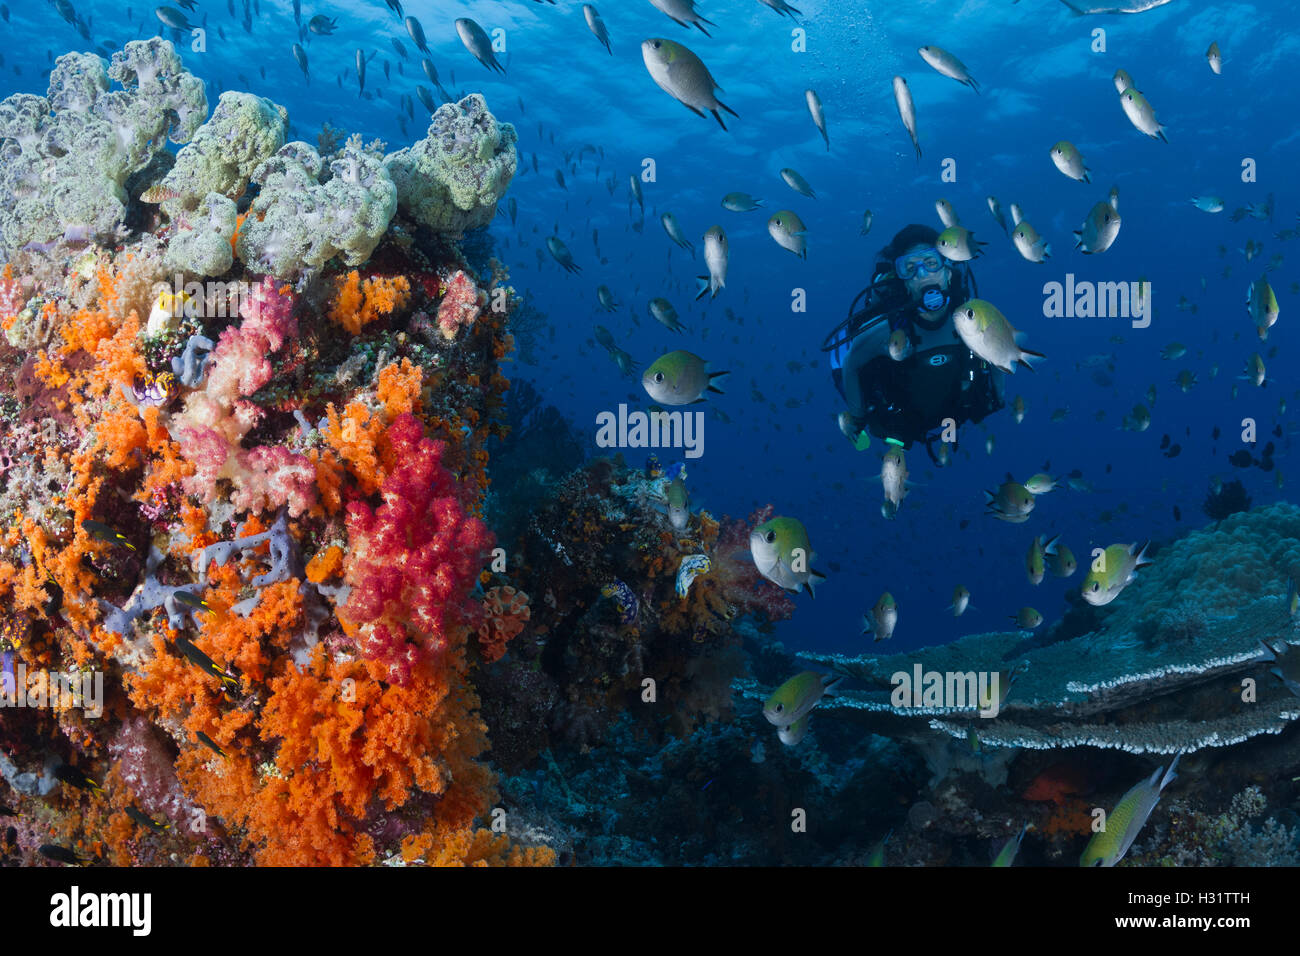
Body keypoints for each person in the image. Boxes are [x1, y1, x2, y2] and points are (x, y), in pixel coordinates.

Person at [823, 223, 1003, 462]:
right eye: (909, 268)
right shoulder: (884, 331)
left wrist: (998, 395)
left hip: (955, 410)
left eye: (931, 263)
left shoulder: (974, 319)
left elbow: (1000, 351)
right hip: (901, 421)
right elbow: (851, 364)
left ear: (948, 271)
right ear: (903, 281)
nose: (922, 275)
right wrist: (857, 417)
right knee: (842, 356)